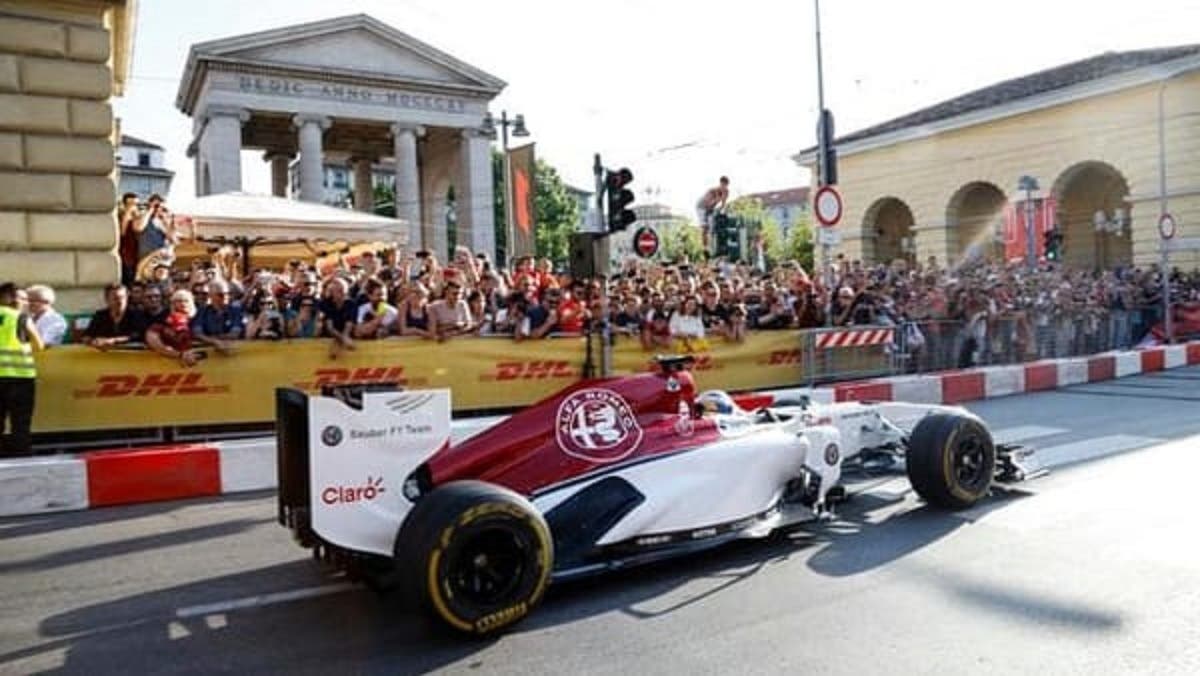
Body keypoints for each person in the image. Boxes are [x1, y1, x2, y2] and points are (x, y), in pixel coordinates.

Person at [0, 282, 44, 457]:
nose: (25, 303)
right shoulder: (20, 317)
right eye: (22, 299)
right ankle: (22, 459)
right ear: (7, 298)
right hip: (20, 378)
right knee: (20, 424)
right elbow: (39, 345)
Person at [696, 176, 730, 255]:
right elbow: (707, 205)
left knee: (713, 227)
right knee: (705, 227)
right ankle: (705, 247)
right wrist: (717, 199)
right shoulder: (711, 191)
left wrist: (721, 210)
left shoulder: (726, 192)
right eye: (722, 185)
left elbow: (723, 205)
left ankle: (713, 246)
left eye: (725, 186)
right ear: (720, 184)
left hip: (710, 208)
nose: (724, 187)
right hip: (701, 206)